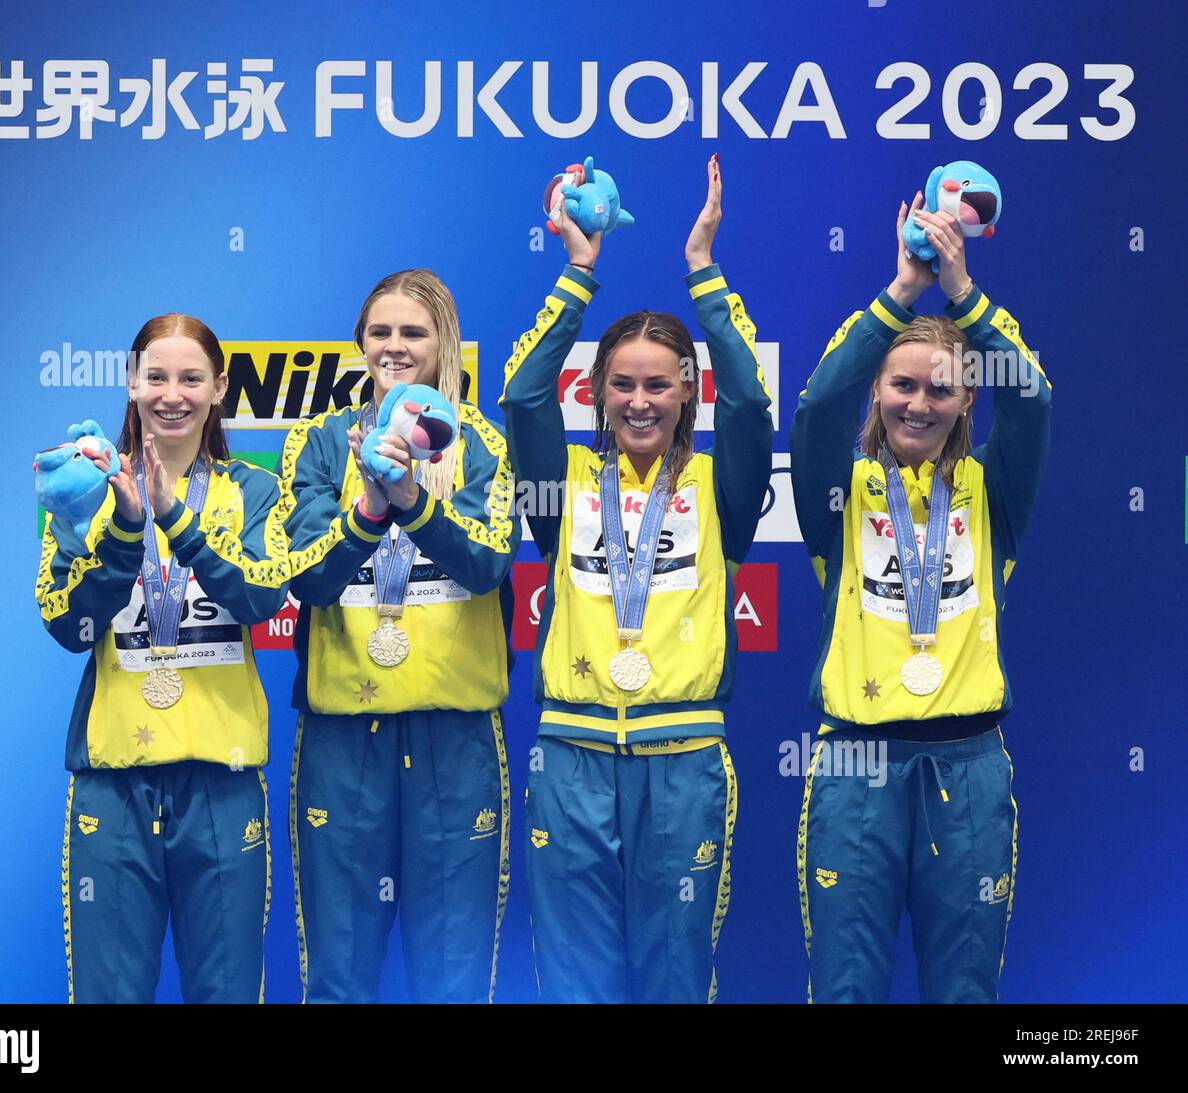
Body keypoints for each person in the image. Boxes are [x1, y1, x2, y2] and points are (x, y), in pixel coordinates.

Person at [499, 155, 773, 1003]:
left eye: (660, 383)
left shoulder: (720, 487)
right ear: (598, 391)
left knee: (674, 976)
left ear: (689, 390)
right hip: (571, 752)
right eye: (622, 383)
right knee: (577, 982)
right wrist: (579, 273)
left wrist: (704, 271)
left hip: (685, 756)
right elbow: (519, 395)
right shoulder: (566, 482)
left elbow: (756, 407)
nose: (641, 400)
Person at [790, 191, 1051, 1003]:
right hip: (856, 760)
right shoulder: (841, 488)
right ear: (879, 388)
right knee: (846, 989)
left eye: (941, 391)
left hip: (971, 766)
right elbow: (814, 406)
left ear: (969, 400)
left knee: (964, 991)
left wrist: (965, 294)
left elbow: (1035, 397)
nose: (918, 404)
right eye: (901, 385)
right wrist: (902, 291)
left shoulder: (990, 491)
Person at [280, 269, 520, 1003]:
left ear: (444, 340)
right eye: (379, 332)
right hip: (344, 736)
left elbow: (485, 563)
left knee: (452, 972)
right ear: (359, 343)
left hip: (455, 735)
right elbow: (311, 579)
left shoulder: (479, 441)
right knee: (339, 972)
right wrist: (366, 510)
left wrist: (412, 501)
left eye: (413, 331)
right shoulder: (318, 441)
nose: (394, 346)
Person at [35, 314, 290, 1003]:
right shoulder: (80, 485)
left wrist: (176, 517)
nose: (171, 394)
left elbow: (260, 598)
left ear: (219, 388)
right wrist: (124, 529)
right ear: (130, 382)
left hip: (222, 774)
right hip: (113, 783)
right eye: (155, 376)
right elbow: (69, 623)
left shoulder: (256, 490)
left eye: (190, 377)